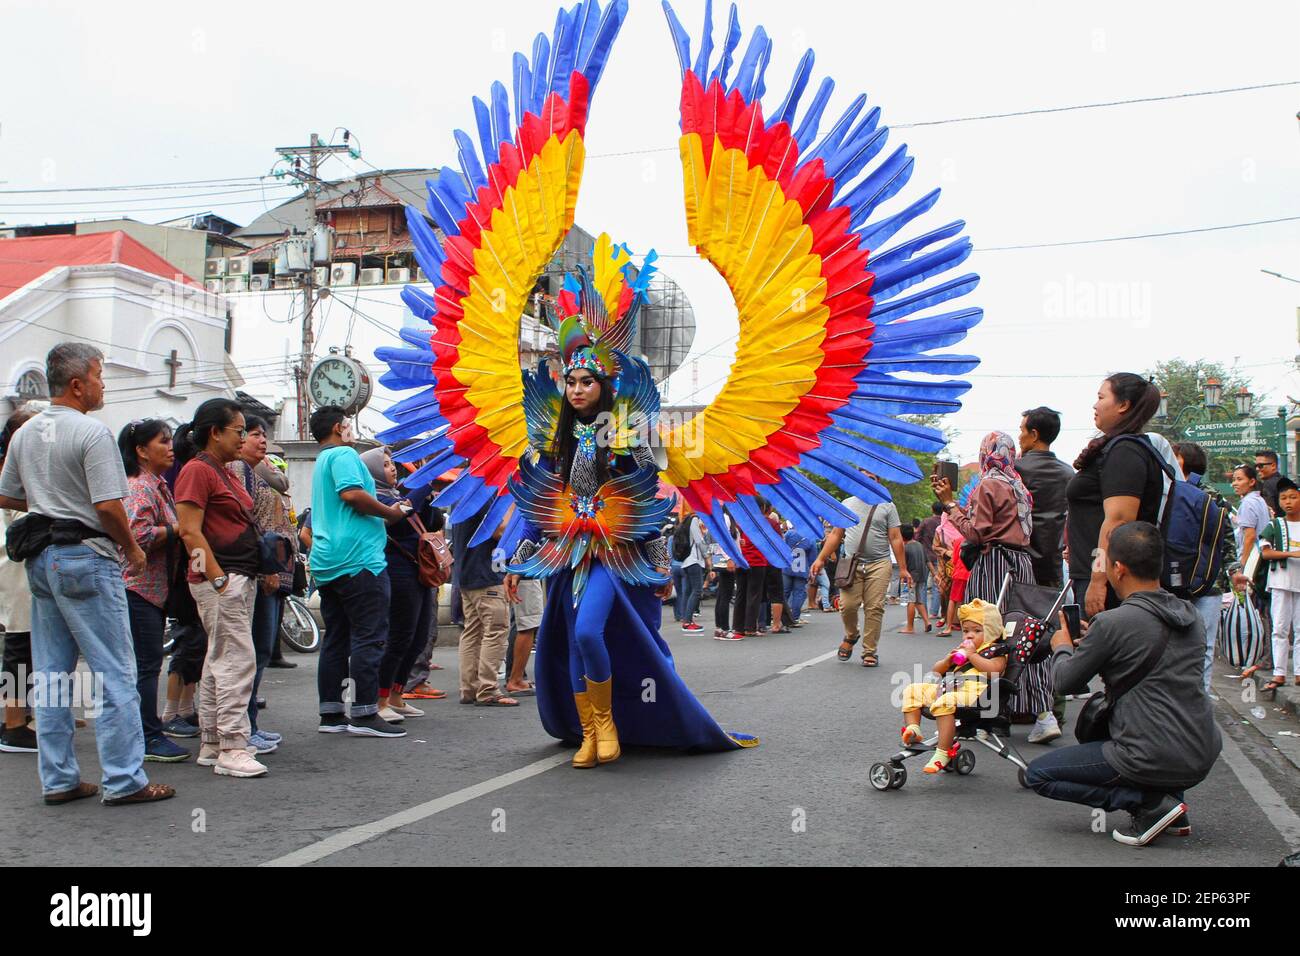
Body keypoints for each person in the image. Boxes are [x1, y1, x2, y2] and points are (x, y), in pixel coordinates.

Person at [504, 274, 756, 767]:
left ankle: (609, 723)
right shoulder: (553, 441)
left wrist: (660, 565)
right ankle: (590, 732)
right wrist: (520, 558)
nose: (577, 389)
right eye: (571, 382)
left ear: (604, 386)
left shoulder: (628, 433)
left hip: (616, 555)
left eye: (586, 381)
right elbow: (543, 500)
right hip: (568, 554)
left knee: (587, 633)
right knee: (574, 641)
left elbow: (648, 499)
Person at [0, 343, 174, 805]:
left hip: (42, 560)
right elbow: (108, 508)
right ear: (77, 384)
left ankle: (58, 779)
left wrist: (47, 504)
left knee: (52, 675)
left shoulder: (26, 433)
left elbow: (6, 494)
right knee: (116, 672)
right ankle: (124, 780)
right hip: (85, 556)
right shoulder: (92, 433)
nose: (102, 384)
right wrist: (132, 548)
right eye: (98, 375)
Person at [1025, 521, 1222, 847]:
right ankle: (1174, 807)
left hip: (1147, 755)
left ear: (1118, 568)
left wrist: (1062, 645)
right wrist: (1099, 645)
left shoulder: (1112, 623)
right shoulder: (1190, 614)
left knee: (1039, 775)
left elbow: (1063, 682)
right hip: (1201, 751)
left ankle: (1145, 803)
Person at [933, 431, 1058, 743]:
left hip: (994, 564)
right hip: (1021, 564)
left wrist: (950, 504)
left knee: (987, 637)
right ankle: (1043, 712)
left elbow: (976, 534)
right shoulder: (1018, 484)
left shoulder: (988, 483)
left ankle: (989, 715)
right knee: (1024, 636)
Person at [174, 398, 268, 777]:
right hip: (222, 578)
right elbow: (188, 531)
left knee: (219, 662)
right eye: (239, 430)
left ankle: (213, 742)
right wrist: (217, 578)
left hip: (234, 576)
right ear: (215, 433)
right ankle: (233, 745)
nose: (243, 437)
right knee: (235, 661)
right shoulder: (199, 471)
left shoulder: (224, 470)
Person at [308, 406, 407, 738]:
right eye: (348, 425)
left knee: (336, 638)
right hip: (358, 559)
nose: (351, 430)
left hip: (329, 561)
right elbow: (351, 494)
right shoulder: (344, 455)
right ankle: (365, 712)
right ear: (339, 427)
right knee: (369, 636)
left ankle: (331, 713)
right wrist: (389, 514)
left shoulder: (322, 460)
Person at [117, 419, 189, 763]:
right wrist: (177, 529)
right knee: (145, 667)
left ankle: (141, 733)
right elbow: (138, 536)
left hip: (153, 589)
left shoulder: (157, 484)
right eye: (163, 441)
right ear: (141, 451)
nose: (170, 446)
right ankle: (147, 736)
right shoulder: (139, 487)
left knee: (145, 665)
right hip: (137, 588)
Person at [1065, 373, 1164, 619]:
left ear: (1123, 405)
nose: (1095, 405)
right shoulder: (1116, 448)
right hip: (1097, 576)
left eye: (1101, 397)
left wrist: (1099, 578)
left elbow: (1118, 522)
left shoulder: (1125, 451)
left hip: (1111, 582)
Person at [360, 446, 444, 718]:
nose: (392, 468)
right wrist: (425, 482)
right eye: (385, 465)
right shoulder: (376, 497)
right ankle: (380, 699)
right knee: (399, 636)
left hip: (418, 569)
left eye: (391, 463)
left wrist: (427, 496)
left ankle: (397, 695)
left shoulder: (400, 494)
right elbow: (397, 518)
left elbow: (430, 520)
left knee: (417, 637)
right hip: (397, 570)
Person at [225, 416, 291, 753]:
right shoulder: (239, 472)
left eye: (264, 435)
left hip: (270, 572)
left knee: (261, 650)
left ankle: (250, 723)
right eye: (253, 434)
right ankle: (242, 727)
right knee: (251, 651)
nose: (261, 441)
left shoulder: (260, 474)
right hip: (256, 572)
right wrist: (266, 569)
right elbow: (250, 523)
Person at [899, 599, 1007, 773]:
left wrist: (972, 656)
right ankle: (913, 729)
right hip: (952, 687)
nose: (969, 635)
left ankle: (943, 752)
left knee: (946, 701)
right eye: (965, 631)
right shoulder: (962, 649)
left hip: (978, 694)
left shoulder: (996, 650)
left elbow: (994, 670)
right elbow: (936, 671)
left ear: (992, 632)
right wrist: (948, 660)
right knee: (912, 690)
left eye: (977, 631)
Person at [809, 482, 910, 667]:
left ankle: (869, 651)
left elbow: (895, 538)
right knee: (847, 606)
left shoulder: (887, 505)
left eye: (871, 477)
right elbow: (836, 535)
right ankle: (851, 634)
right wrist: (820, 558)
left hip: (879, 564)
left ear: (877, 482)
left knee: (874, 608)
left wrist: (903, 568)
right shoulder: (846, 504)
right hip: (851, 564)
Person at [1173, 441, 1234, 691]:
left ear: (1182, 462)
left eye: (1173, 457)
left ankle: (1200, 701)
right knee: (1194, 646)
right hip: (1193, 581)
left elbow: (1226, 536)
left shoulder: (1209, 495)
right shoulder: (1168, 492)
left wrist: (1235, 568)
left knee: (1202, 645)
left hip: (1202, 582)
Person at [0, 406, 42, 754]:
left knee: (29, 643)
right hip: (12, 562)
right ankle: (13, 723)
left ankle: (27, 714)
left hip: (20, 559)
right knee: (18, 642)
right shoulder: (13, 471)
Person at [453, 501, 517, 708]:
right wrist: (512, 507)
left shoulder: (465, 494)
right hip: (486, 574)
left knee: (472, 631)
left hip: (466, 573)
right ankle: (488, 689)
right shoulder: (488, 497)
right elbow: (501, 531)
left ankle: (469, 688)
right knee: (496, 630)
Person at [1017, 406, 1074, 588]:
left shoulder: (1016, 470)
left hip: (1020, 563)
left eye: (1021, 430)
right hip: (1053, 564)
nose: (1019, 436)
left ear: (1034, 434)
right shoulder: (1067, 472)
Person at [1258, 476, 1300, 691]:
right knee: (1280, 627)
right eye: (1284, 498)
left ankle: (1299, 672)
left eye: (1293, 497)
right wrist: (1292, 554)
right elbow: (1265, 553)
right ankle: (1280, 673)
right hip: (1281, 580)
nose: (1288, 502)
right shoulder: (1275, 525)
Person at [676, 506, 708, 632]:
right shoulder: (694, 520)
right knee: (697, 590)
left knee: (688, 591)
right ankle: (688, 621)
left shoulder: (685, 521)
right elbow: (699, 541)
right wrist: (707, 556)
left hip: (686, 561)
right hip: (694, 560)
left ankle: (686, 619)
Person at [897, 525, 932, 633]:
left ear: (901, 536)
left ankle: (910, 627)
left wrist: (903, 577)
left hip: (911, 577)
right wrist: (935, 574)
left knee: (910, 601)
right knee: (918, 601)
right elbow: (928, 561)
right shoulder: (919, 545)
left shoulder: (905, 548)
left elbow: (903, 566)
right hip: (922, 576)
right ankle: (927, 622)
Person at [783, 525, 816, 626]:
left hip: (787, 566)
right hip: (802, 568)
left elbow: (783, 546)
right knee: (799, 593)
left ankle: (781, 617)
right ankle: (795, 617)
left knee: (784, 593)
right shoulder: (810, 537)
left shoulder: (789, 533)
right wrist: (811, 570)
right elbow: (812, 556)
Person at [916, 503, 944, 618]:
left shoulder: (926, 522)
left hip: (924, 557)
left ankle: (923, 613)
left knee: (922, 584)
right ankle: (934, 612)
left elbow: (917, 537)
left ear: (932, 509)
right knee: (937, 584)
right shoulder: (944, 523)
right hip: (939, 556)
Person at [1255, 448, 1285, 516]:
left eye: (1260, 466)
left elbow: (1269, 513)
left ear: (1273, 466)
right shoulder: (1283, 480)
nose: (1257, 469)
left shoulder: (1268, 484)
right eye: (1256, 466)